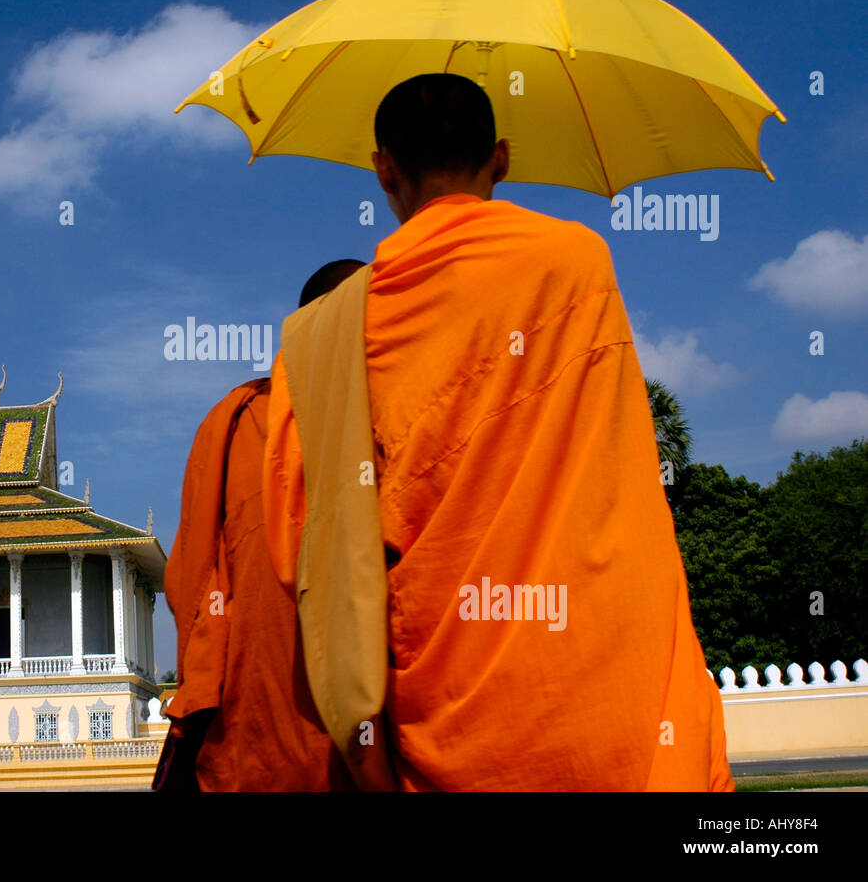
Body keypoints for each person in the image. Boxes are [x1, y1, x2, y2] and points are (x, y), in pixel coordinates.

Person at [262, 73, 734, 791]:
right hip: (609, 694)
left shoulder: (321, 332)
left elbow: (302, 547)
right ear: (503, 158)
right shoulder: (577, 262)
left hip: (441, 713)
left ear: (382, 169)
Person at [156, 260, 365, 791]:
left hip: (253, 730)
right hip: (357, 722)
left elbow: (189, 584)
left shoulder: (237, 418)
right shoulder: (243, 419)